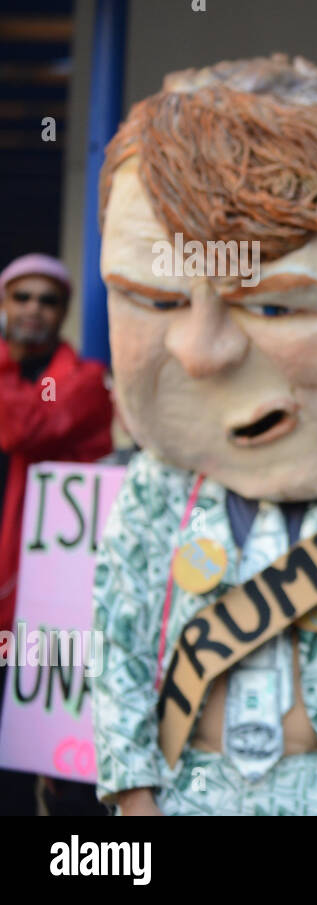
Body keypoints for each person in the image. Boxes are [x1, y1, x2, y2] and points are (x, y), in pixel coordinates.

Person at [91, 55, 317, 816]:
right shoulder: (156, 493)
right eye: (155, 299)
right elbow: (116, 646)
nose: (203, 351)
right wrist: (133, 801)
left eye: (278, 307)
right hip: (189, 793)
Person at [0, 253, 114, 816]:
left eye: (48, 300)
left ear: (64, 311)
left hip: (43, 612)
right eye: (21, 297)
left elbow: (24, 425)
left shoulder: (81, 382)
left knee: (43, 761)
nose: (33, 310)